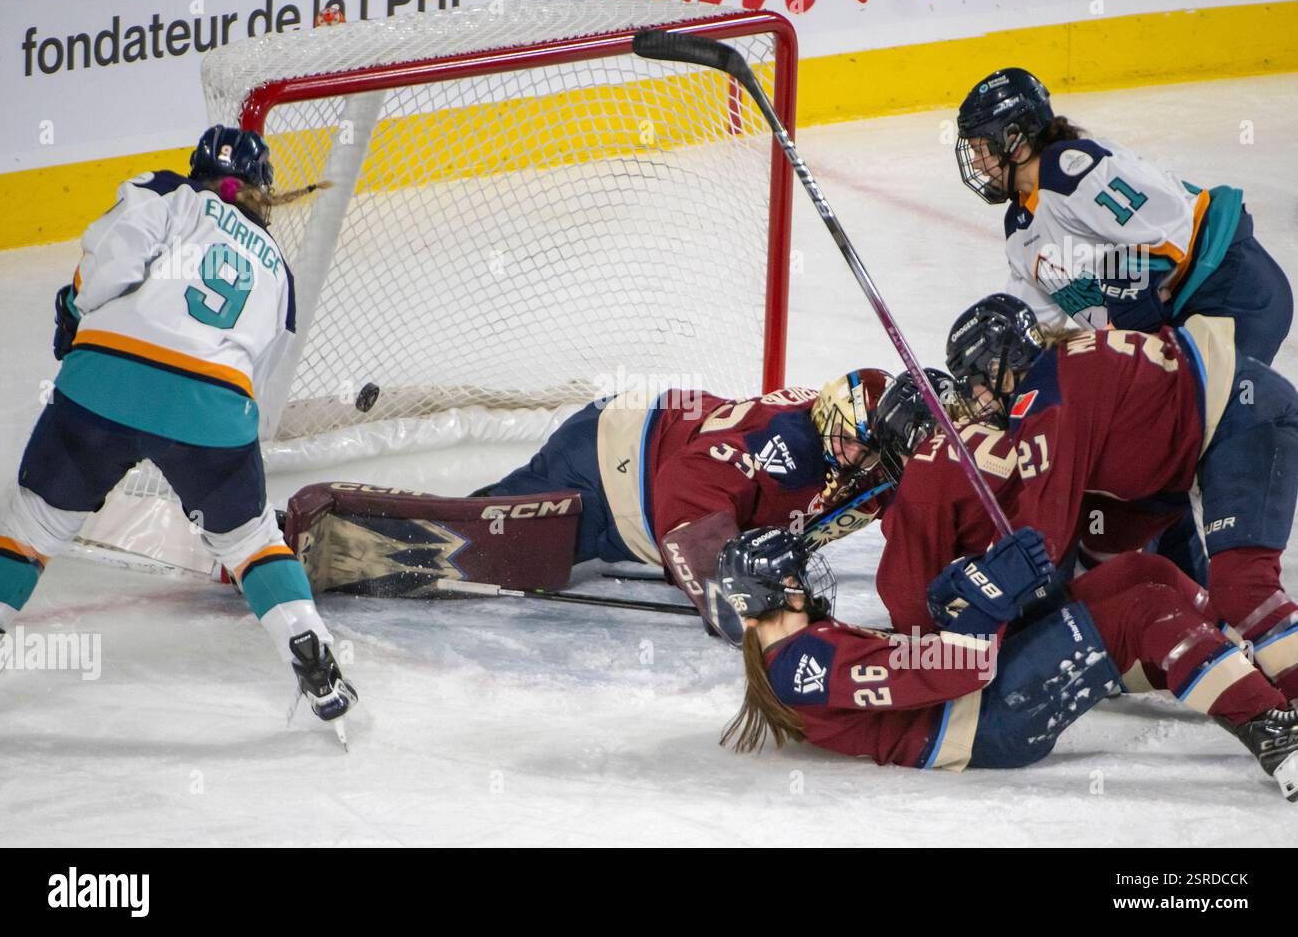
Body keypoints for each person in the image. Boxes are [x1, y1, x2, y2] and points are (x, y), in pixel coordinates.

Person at [0, 126, 355, 736]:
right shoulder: (280, 272)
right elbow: (261, 381)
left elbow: (110, 258)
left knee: (31, 527)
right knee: (248, 542)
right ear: (260, 192)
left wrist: (75, 311)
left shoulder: (166, 191)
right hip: (213, 410)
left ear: (197, 169)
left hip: (104, 383)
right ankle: (310, 652)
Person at [716, 523, 1298, 800]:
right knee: (1141, 611)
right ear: (768, 594)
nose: (806, 580)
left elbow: (916, 663)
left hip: (977, 700)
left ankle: (1242, 671)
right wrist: (988, 604)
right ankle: (1276, 735)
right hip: (987, 721)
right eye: (793, 575)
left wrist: (967, 607)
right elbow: (958, 670)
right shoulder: (804, 664)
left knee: (1133, 574)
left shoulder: (797, 653)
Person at [941, 292, 1298, 705]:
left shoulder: (1040, 398)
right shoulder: (1060, 364)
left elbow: (1042, 539)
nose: (980, 399)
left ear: (1000, 367)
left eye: (979, 383)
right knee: (1101, 568)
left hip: (1243, 418)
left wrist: (984, 588)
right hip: (1173, 453)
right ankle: (1219, 650)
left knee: (1243, 586)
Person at [471, 369, 896, 633]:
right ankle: (454, 520)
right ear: (824, 419)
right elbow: (684, 486)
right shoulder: (786, 448)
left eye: (871, 452)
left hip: (650, 449)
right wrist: (728, 598)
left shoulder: (871, 462)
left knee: (533, 542)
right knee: (511, 539)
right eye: (848, 442)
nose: (857, 459)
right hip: (614, 455)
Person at [955, 67, 1292, 366]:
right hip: (1184, 322)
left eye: (981, 148)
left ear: (1015, 140)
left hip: (1229, 289)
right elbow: (1032, 327)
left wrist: (1126, 302)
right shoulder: (1020, 227)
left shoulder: (1071, 169)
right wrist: (993, 360)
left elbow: (1170, 229)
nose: (979, 163)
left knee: (1215, 427)